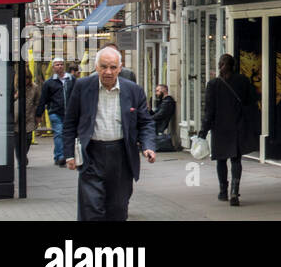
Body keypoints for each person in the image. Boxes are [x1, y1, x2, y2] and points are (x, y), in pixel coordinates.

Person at [62, 46, 157, 222]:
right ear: (96, 67)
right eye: (104, 67)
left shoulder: (133, 90)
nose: (108, 72)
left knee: (118, 209)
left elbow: (145, 123)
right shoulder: (83, 86)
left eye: (113, 67)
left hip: (121, 156)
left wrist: (148, 146)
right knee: (91, 209)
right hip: (91, 154)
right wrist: (68, 154)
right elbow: (69, 123)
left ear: (120, 68)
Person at [200, 54, 259, 206]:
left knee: (221, 160)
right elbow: (253, 100)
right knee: (236, 159)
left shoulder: (213, 84)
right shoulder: (243, 81)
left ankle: (223, 191)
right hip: (238, 126)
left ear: (220, 65)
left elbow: (209, 110)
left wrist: (203, 130)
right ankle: (234, 190)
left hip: (220, 128)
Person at [34, 59, 75, 166]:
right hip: (55, 112)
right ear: (53, 67)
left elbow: (77, 96)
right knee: (59, 133)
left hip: (70, 113)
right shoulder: (49, 82)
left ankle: (60, 156)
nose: (60, 66)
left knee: (68, 134)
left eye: (61, 64)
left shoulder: (71, 79)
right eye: (57, 65)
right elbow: (43, 99)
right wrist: (39, 114)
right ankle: (61, 156)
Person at [150, 84, 177, 151]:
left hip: (160, 124)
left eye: (158, 91)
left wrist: (148, 119)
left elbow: (160, 114)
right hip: (158, 122)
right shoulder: (163, 101)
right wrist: (149, 110)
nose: (156, 93)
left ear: (163, 90)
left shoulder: (167, 101)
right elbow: (156, 113)